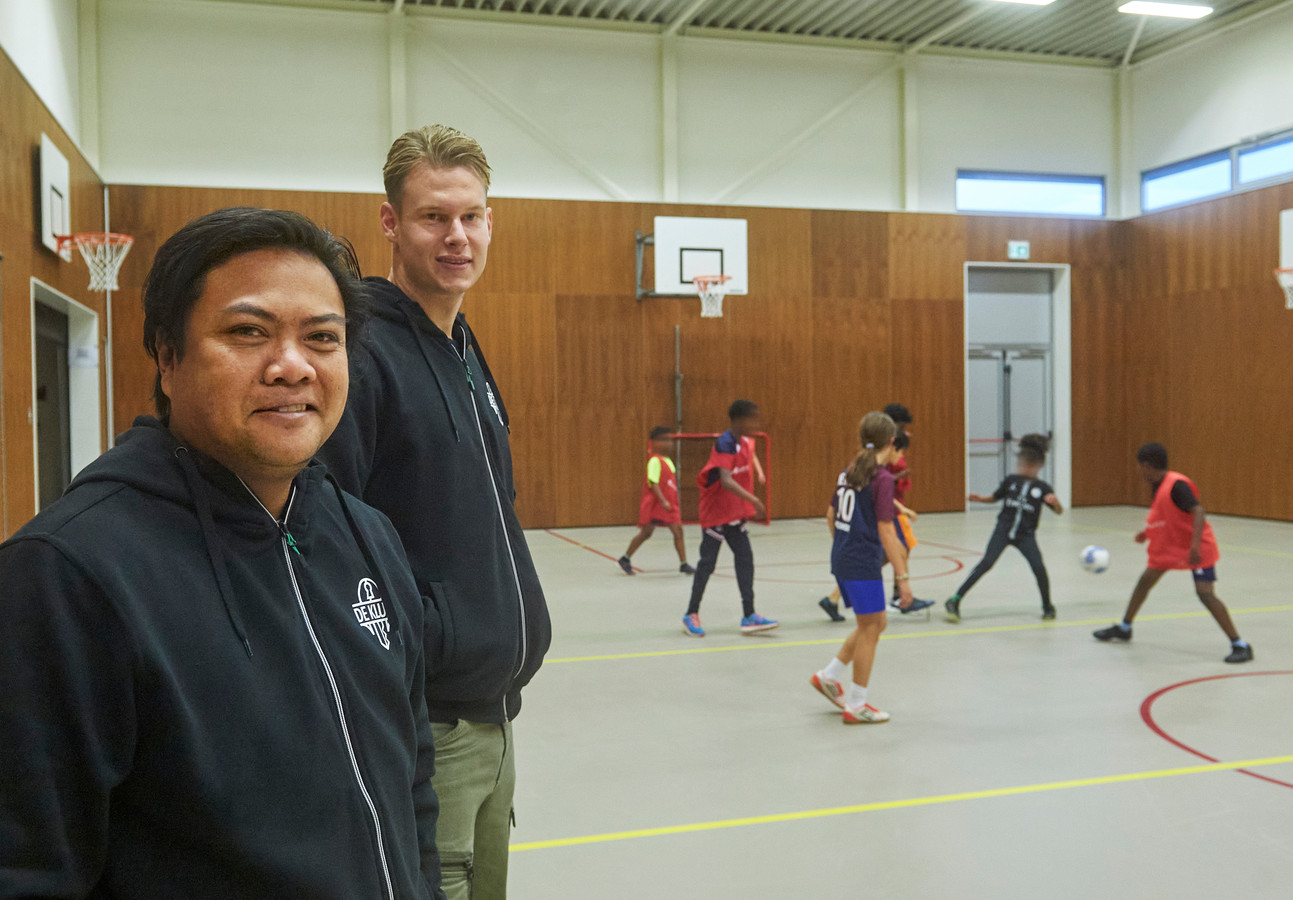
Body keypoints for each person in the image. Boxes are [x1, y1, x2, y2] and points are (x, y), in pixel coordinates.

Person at [0, 208, 444, 899]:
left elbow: (410, 774)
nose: (291, 365)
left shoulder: (367, 536)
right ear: (168, 358)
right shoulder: (67, 574)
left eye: (322, 339)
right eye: (248, 332)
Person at [318, 125, 551, 900]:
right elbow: (324, 539)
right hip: (430, 724)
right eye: (433, 217)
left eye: (472, 217)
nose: (457, 236)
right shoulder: (366, 350)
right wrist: (421, 643)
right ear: (390, 222)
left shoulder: (459, 345)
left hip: (491, 716)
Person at [1093, 443, 1253, 663]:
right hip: (1171, 547)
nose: (1140, 472)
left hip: (1197, 549)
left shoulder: (1177, 485)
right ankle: (1125, 627)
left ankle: (1240, 644)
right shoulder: (1158, 485)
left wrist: (1195, 546)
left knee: (1205, 593)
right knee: (1145, 581)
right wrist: (1147, 532)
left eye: (1140, 467)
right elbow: (1167, 514)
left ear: (1147, 466)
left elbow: (1198, 512)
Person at [809, 411, 913, 724]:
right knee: (871, 628)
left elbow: (830, 516)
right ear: (891, 441)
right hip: (861, 563)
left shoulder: (850, 470)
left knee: (875, 623)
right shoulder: (880, 478)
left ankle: (829, 675)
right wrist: (903, 578)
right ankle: (857, 704)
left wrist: (844, 545)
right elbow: (887, 531)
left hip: (842, 557)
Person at [682, 399, 779, 637]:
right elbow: (725, 480)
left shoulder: (746, 443)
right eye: (751, 418)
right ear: (737, 420)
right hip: (716, 513)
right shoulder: (724, 443)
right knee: (707, 564)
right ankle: (690, 613)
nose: (755, 423)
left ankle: (749, 615)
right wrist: (754, 501)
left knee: (745, 559)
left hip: (734, 513)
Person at [945, 434, 1061, 623]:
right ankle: (955, 599)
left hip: (1026, 535)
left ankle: (1047, 605)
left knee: (1038, 567)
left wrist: (1055, 503)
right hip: (1003, 531)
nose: (1023, 468)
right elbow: (995, 497)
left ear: (1038, 466)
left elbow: (1058, 511)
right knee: (987, 563)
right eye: (1021, 464)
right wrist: (981, 499)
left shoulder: (1042, 487)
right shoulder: (1011, 481)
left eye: (1028, 465)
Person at [618, 426, 695, 575]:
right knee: (647, 533)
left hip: (669, 505)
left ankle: (683, 563)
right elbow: (653, 482)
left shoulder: (668, 461)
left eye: (670, 440)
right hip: (657, 505)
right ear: (654, 442)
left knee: (677, 531)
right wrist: (663, 500)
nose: (669, 444)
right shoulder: (654, 461)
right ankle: (625, 558)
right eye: (664, 440)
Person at [883, 403, 934, 614]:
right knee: (899, 549)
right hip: (891, 503)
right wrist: (898, 479)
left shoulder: (898, 440)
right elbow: (879, 478)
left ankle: (898, 594)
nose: (903, 429)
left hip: (897, 500)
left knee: (895, 551)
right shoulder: (884, 446)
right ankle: (901, 597)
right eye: (901, 426)